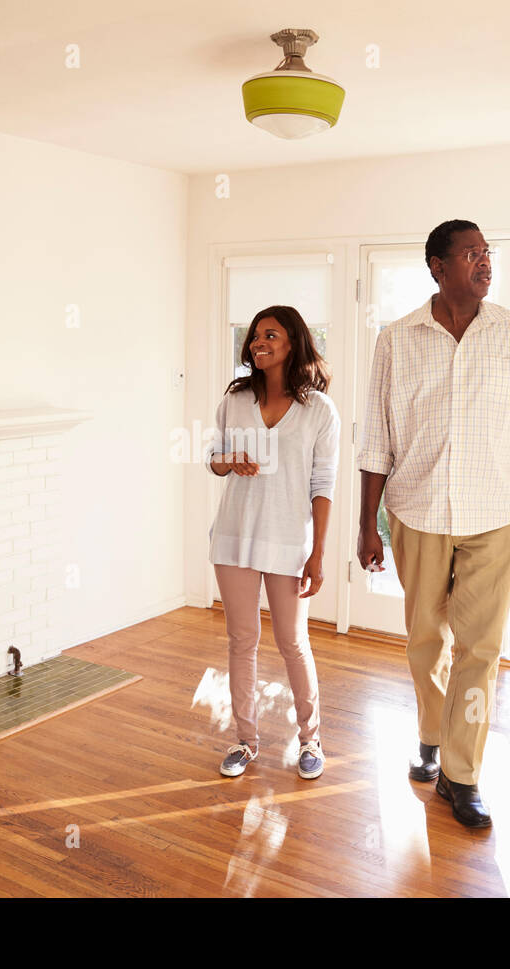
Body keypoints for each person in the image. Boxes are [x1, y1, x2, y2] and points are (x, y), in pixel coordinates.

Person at [356, 220, 510, 828]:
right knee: (427, 641)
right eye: (471, 253)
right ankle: (431, 732)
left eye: (487, 253)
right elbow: (377, 438)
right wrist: (366, 524)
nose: (484, 262)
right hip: (417, 512)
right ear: (436, 266)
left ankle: (461, 774)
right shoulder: (397, 340)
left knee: (481, 647)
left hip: (498, 513)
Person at [206, 304, 340, 780]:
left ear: (292, 343)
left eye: (271, 335)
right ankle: (245, 741)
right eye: (255, 336)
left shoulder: (318, 410)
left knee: (292, 642)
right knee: (242, 640)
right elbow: (213, 459)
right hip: (234, 537)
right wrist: (229, 460)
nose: (259, 343)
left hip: (288, 542)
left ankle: (311, 739)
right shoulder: (235, 400)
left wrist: (318, 553)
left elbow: (323, 484)